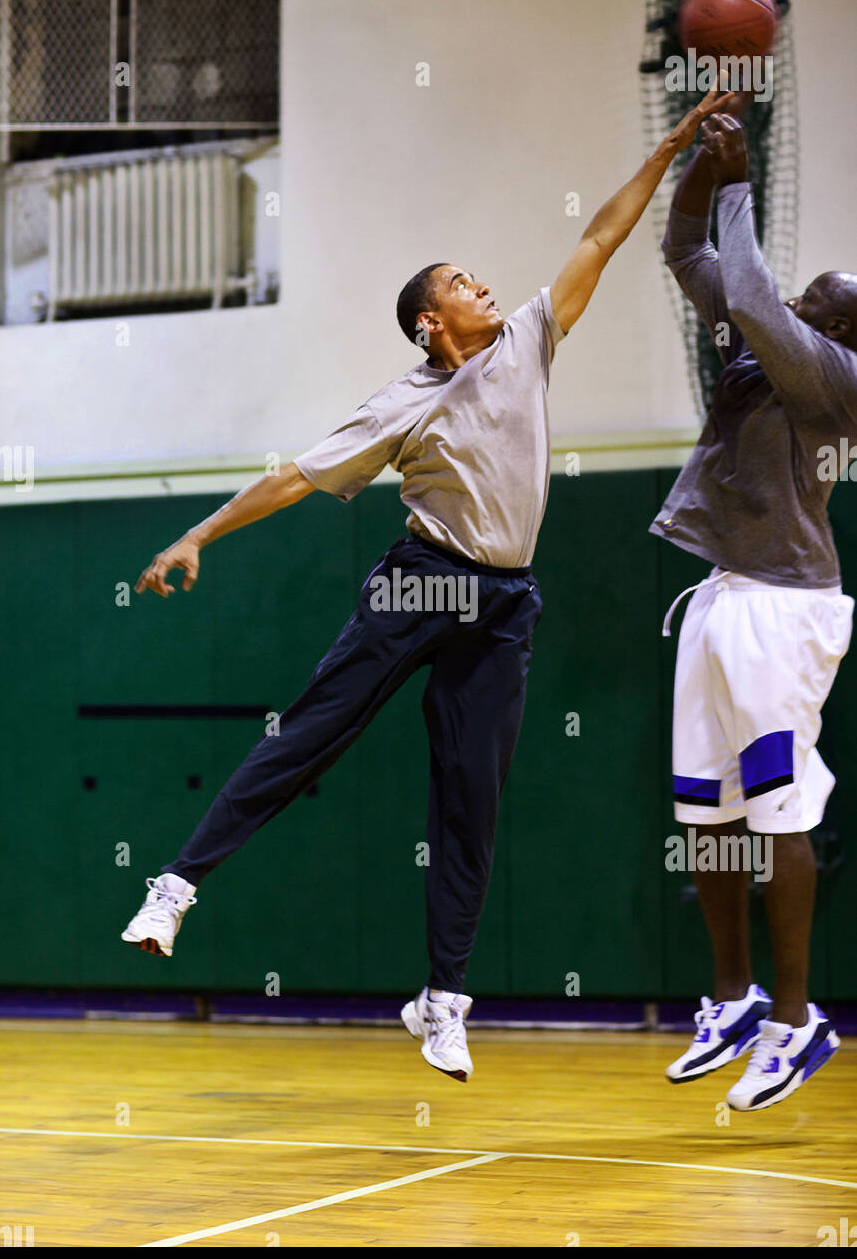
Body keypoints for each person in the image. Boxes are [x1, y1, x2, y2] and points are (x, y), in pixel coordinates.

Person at [121, 88, 728, 1082]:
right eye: (463, 283)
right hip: (423, 580)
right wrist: (199, 533)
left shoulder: (528, 340)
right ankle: (177, 886)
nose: (484, 287)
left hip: (503, 603)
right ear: (428, 319)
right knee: (313, 728)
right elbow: (292, 476)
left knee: (469, 799)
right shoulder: (401, 402)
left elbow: (599, 237)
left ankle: (441, 1000)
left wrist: (665, 147)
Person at [654, 111, 857, 1110]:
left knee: (775, 806)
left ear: (839, 327)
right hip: (721, 593)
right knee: (706, 808)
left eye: (815, 297)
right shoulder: (761, 340)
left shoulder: (833, 377)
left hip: (785, 608)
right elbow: (685, 252)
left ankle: (795, 1015)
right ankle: (732, 997)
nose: (795, 297)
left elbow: (743, 293)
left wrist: (738, 183)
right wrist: (699, 176)